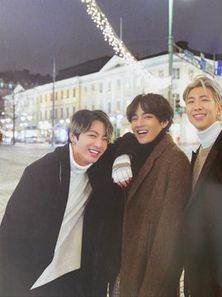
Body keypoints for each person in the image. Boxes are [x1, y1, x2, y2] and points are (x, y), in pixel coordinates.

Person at [0, 109, 122, 297]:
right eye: (92, 135)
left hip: (76, 276)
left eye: (105, 138)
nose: (99, 144)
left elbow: (129, 142)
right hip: (37, 277)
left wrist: (124, 158)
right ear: (73, 136)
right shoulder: (42, 171)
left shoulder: (101, 167)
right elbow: (10, 231)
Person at [111, 93, 191, 297]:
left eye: (147, 116)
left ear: (164, 122)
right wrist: (121, 154)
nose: (139, 123)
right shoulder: (135, 152)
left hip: (150, 277)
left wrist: (153, 289)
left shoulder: (175, 161)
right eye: (134, 118)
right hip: (125, 268)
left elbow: (171, 236)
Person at [183, 75, 222, 297]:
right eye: (191, 101)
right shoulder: (199, 153)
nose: (196, 107)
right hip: (199, 269)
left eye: (204, 99)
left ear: (219, 107)